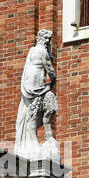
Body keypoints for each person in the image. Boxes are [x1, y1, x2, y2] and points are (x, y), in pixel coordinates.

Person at [14, 29, 58, 159]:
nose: (48, 43)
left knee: (32, 112)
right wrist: (54, 80)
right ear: (45, 40)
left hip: (28, 83)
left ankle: (37, 139)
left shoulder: (32, 50)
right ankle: (34, 142)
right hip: (36, 83)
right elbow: (49, 69)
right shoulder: (42, 51)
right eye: (48, 41)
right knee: (34, 113)